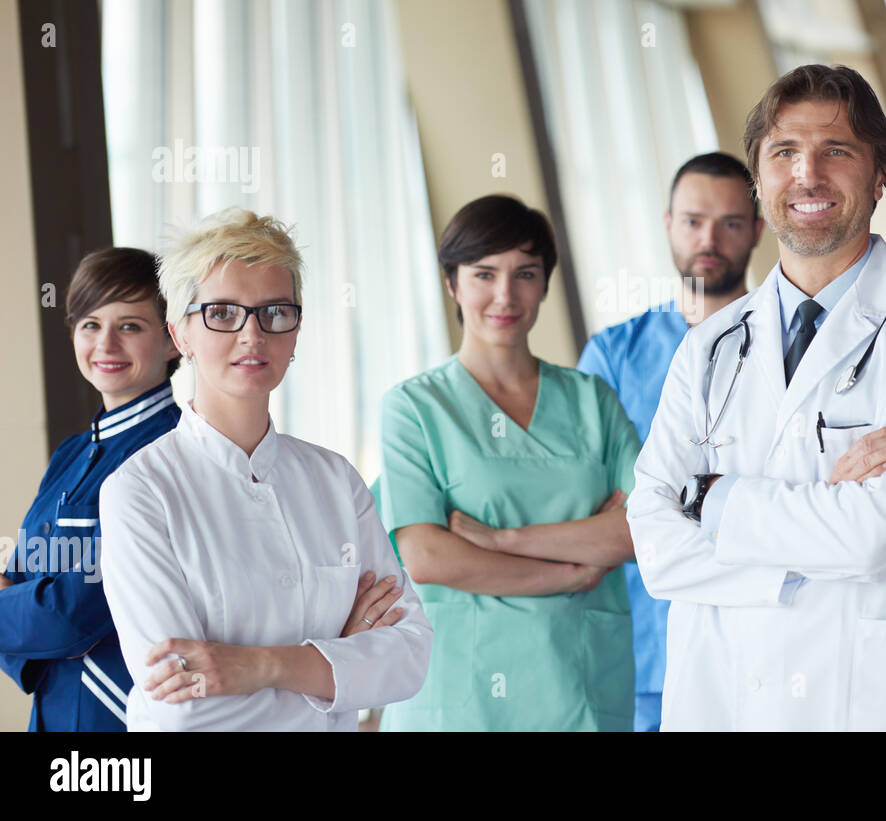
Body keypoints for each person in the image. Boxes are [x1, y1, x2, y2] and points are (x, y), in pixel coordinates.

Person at [627, 64, 886, 731]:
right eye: (785, 153)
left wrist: (712, 496)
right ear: (759, 179)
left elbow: (875, 530)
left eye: (837, 151)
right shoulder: (708, 349)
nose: (808, 174)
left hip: (877, 701)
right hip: (725, 698)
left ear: (881, 175)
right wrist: (825, 510)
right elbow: (655, 545)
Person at [99, 208, 432, 730]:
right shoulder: (139, 491)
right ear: (179, 335)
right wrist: (337, 660)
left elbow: (409, 657)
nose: (253, 335)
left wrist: (256, 666)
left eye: (275, 312)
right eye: (223, 313)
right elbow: (181, 708)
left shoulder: (335, 480)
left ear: (295, 332)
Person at [377, 195, 640, 731]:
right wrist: (573, 572)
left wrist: (501, 542)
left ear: (545, 284)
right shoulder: (414, 408)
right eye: (483, 274)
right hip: (460, 696)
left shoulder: (593, 402)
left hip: (579, 688)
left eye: (525, 273)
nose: (505, 295)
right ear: (452, 283)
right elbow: (427, 555)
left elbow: (641, 531)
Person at [577, 151, 764, 731]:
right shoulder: (615, 353)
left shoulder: (790, 347)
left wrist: (652, 505)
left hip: (762, 626)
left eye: (730, 223)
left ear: (758, 230)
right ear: (667, 225)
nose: (709, 238)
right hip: (642, 650)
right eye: (692, 221)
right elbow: (594, 504)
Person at [0, 249, 182, 730]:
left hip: (119, 717)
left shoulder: (172, 454)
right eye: (90, 324)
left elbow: (73, 615)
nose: (106, 344)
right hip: (52, 712)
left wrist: (38, 621)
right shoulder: (71, 453)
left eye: (130, 326)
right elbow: (21, 576)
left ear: (173, 341)